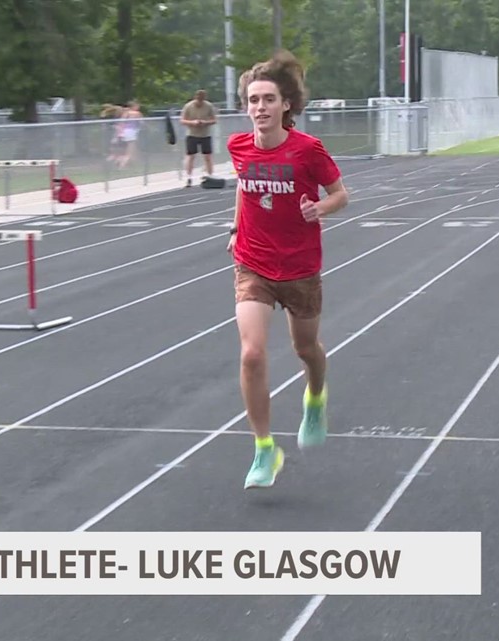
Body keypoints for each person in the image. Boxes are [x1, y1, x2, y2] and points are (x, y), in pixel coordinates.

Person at [226, 50, 349, 489]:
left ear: (286, 105)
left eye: (268, 99)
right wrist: (236, 229)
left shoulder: (307, 150)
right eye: (253, 100)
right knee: (252, 353)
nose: (260, 107)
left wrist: (320, 207)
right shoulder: (238, 147)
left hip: (299, 267)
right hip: (253, 263)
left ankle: (315, 396)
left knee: (306, 349)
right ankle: (264, 449)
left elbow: (341, 194)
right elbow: (244, 190)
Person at [180, 90, 218, 187]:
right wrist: (193, 123)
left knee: (207, 156)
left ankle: (210, 175)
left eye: (201, 101)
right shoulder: (188, 106)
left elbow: (214, 120)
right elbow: (182, 120)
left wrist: (205, 122)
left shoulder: (209, 106)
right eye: (198, 101)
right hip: (192, 134)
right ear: (195, 98)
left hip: (205, 134)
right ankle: (188, 177)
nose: (200, 103)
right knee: (190, 156)